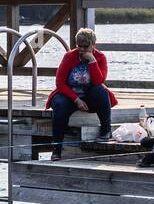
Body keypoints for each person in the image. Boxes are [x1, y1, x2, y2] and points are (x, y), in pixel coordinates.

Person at [45, 27, 114, 160]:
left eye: (85, 46)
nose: (82, 49)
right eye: (79, 46)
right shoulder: (69, 56)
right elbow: (60, 82)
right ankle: (56, 148)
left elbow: (99, 81)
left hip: (89, 95)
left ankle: (106, 130)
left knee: (100, 91)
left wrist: (92, 61)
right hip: (69, 95)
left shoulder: (100, 58)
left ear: (93, 45)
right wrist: (76, 99)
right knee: (59, 105)